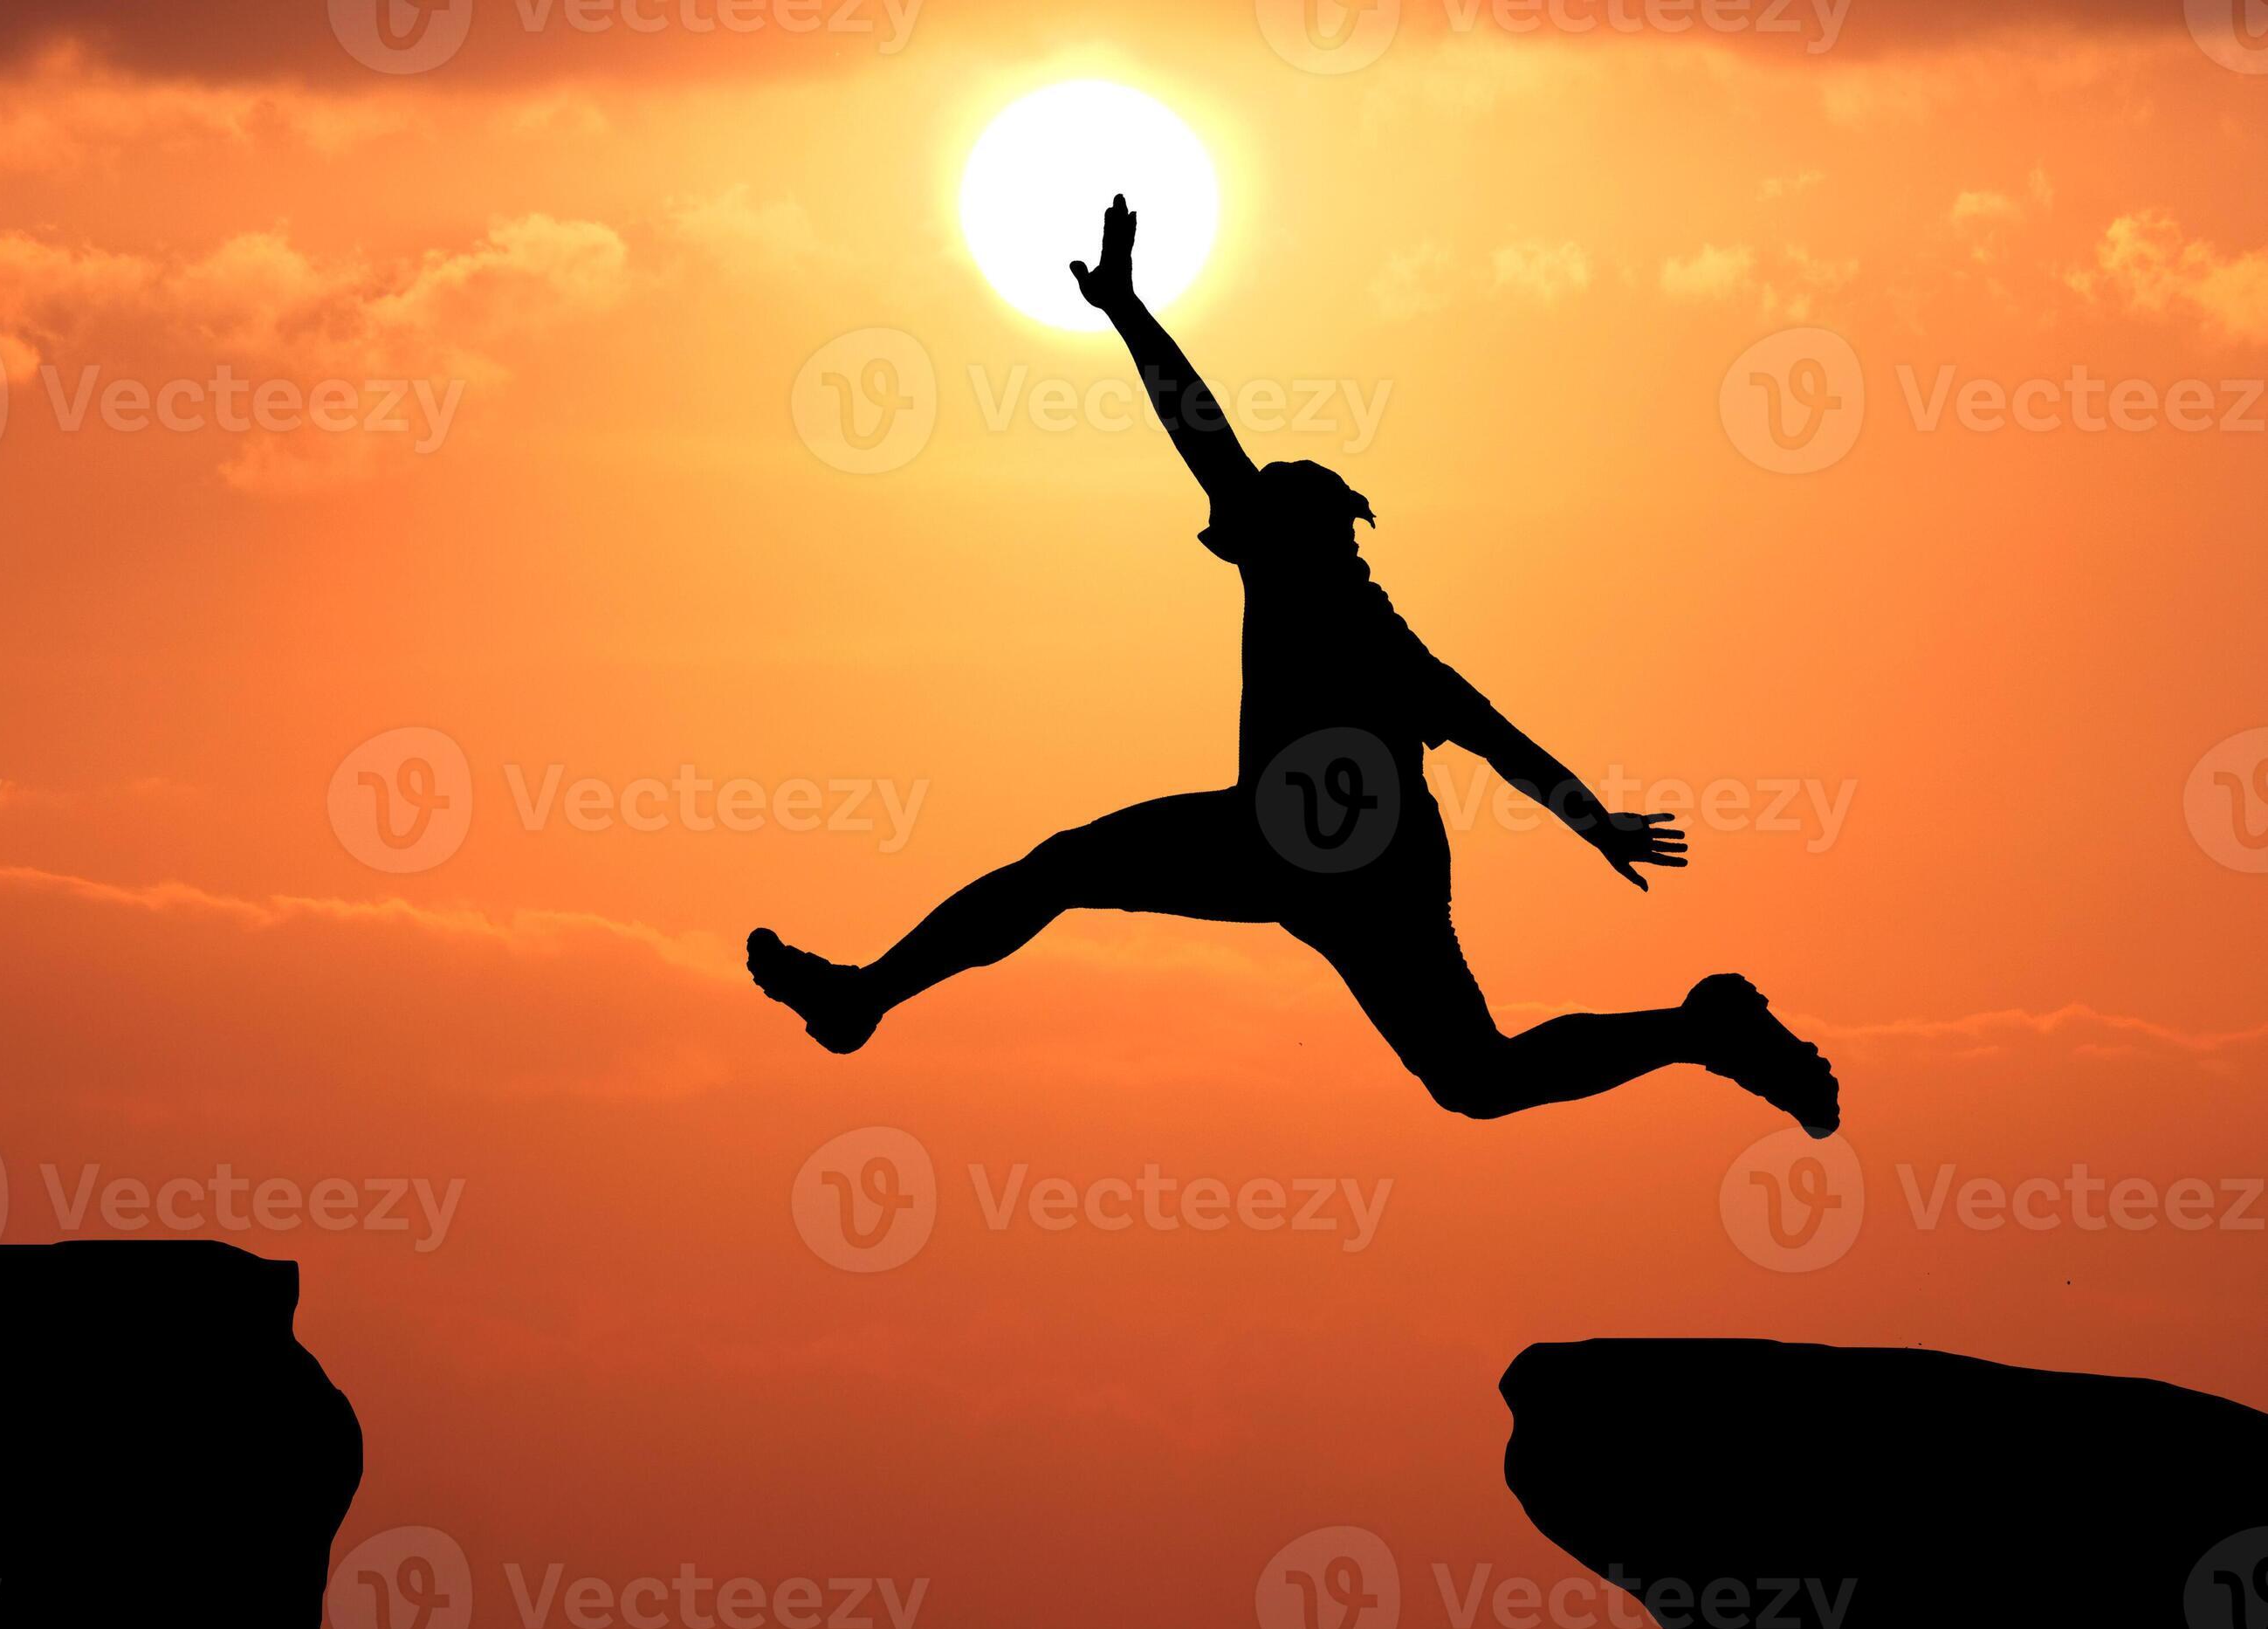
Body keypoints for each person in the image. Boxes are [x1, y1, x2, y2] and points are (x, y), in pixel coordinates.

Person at [750, 196, 1839, 1136]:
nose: (1237, 524)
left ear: (1303, 531)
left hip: (1360, 883)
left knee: (1467, 1074)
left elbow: (1209, 437)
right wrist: (1590, 819)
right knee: (1075, 873)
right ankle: (863, 996)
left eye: (1257, 516)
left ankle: (1703, 1032)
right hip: (1278, 848)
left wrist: (1590, 816)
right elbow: (1492, 732)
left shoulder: (1337, 601)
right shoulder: (1341, 600)